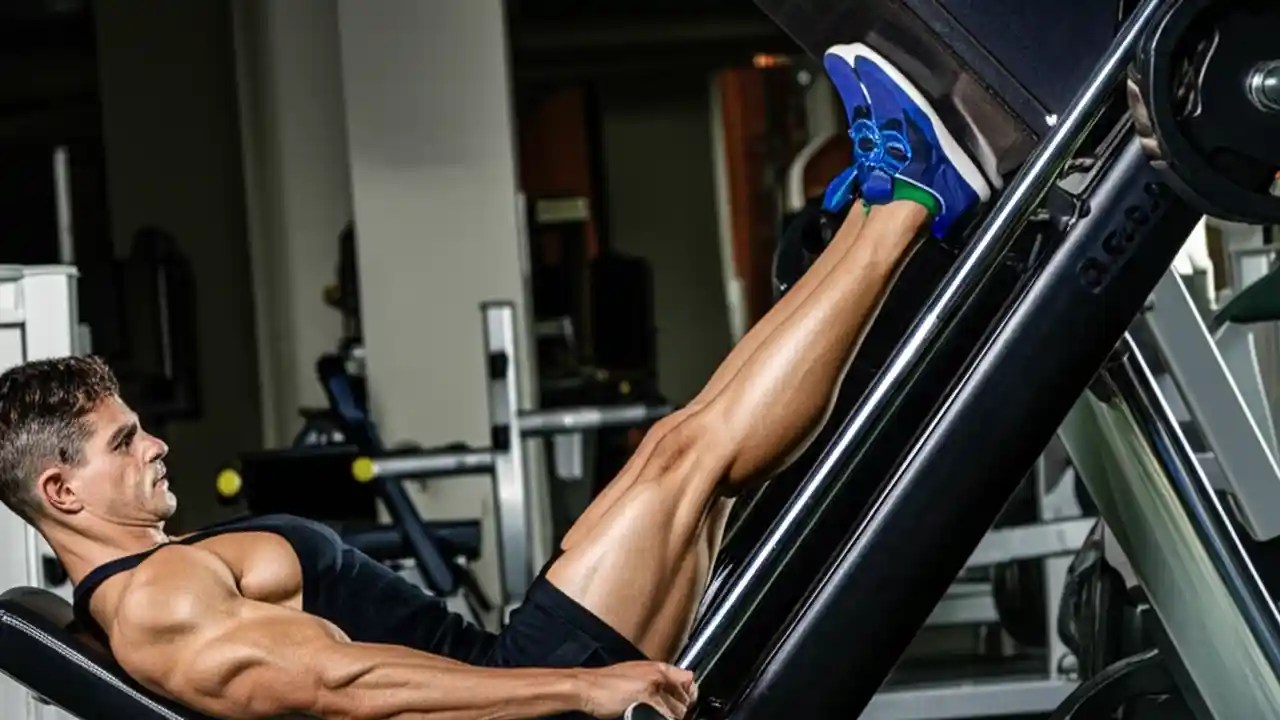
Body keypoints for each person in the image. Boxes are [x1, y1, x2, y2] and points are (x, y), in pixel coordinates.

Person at [0, 43, 992, 720]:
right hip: (525, 694)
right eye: (125, 440)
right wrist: (579, 693)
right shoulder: (156, 607)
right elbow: (340, 687)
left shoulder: (151, 584)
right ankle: (907, 198)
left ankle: (891, 210)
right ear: (61, 489)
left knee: (688, 458)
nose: (157, 442)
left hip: (508, 669)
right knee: (682, 456)